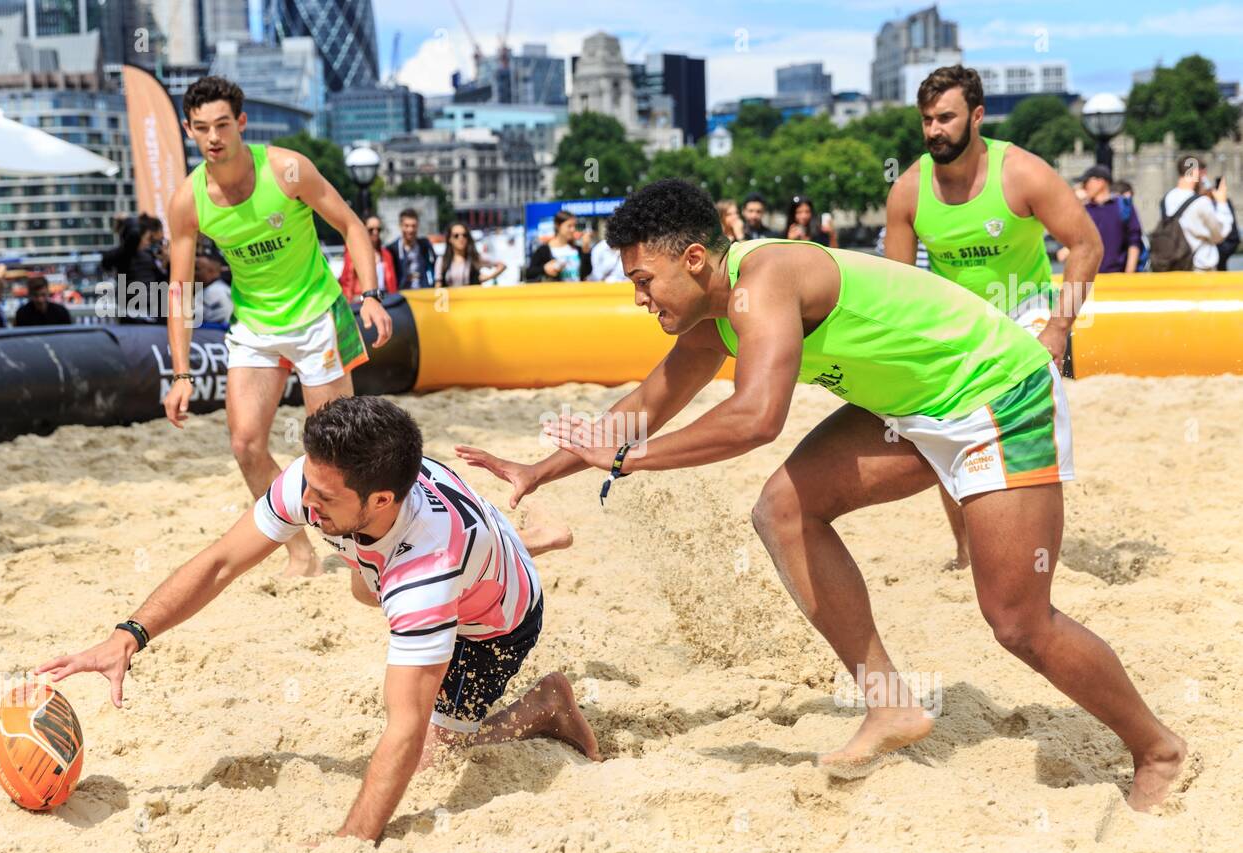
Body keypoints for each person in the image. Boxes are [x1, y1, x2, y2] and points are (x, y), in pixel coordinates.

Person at [455, 178, 1188, 811]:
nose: (638, 297)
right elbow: (646, 404)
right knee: (783, 510)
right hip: (915, 410)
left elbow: (755, 419)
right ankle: (890, 701)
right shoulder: (716, 312)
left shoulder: (764, 280)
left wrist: (631, 458)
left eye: (644, 281)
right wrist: (536, 471)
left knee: (1016, 620)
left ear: (695, 258)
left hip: (1000, 393)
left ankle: (1156, 748)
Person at [35, 396, 596, 844]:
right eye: (307, 482)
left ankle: (546, 705)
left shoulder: (423, 576)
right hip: (439, 547)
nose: (306, 500)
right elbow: (220, 563)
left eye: (322, 496)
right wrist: (128, 635)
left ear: (379, 499)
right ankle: (521, 543)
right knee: (363, 586)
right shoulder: (325, 479)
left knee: (431, 756)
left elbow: (402, 726)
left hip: (494, 626)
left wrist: (351, 841)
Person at [164, 75, 393, 578]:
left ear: (242, 123)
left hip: (317, 316)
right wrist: (181, 376)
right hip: (255, 326)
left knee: (334, 449)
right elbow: (179, 291)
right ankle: (300, 552)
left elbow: (352, 225)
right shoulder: (188, 200)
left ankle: (363, 552)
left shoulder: (287, 169)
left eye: (223, 125)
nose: (214, 137)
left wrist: (371, 296)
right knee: (246, 443)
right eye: (201, 128)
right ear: (188, 130)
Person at [884, 65, 1101, 570]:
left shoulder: (1021, 172)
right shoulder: (909, 189)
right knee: (940, 423)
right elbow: (898, 288)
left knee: (1029, 413)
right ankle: (966, 553)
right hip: (954, 324)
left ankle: (1044, 552)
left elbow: (1086, 244)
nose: (934, 130)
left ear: (977, 116)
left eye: (946, 117)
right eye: (926, 120)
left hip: (1024, 313)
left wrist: (1057, 330)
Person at [1158, 156, 1233, 271]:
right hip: (1199, 267)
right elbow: (1219, 235)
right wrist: (1222, 203)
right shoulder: (1201, 202)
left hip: (1174, 264)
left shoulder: (1166, 199)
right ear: (1195, 172)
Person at [1072, 165, 1144, 273]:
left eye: (1086, 182)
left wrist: (1129, 275)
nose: (1084, 187)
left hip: (1117, 279)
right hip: (1089, 280)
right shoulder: (1084, 210)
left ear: (1100, 182)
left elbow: (1134, 241)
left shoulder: (1123, 206)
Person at [339, 216, 397, 301]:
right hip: (361, 299)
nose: (375, 232)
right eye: (371, 230)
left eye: (378, 229)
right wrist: (348, 303)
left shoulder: (386, 254)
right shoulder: (353, 253)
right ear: (364, 230)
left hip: (384, 299)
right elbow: (347, 281)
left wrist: (393, 299)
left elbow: (392, 283)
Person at [524, 211, 592, 282]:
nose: (573, 229)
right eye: (569, 226)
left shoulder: (578, 249)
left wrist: (586, 251)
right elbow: (529, 273)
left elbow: (586, 272)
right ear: (558, 226)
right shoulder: (543, 251)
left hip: (577, 292)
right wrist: (544, 269)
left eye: (574, 226)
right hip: (555, 292)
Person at [435, 221, 505, 287]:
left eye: (464, 235)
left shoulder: (475, 257)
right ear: (449, 239)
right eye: (456, 236)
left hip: (472, 298)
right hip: (451, 299)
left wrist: (488, 277)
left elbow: (502, 265)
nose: (461, 238)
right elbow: (438, 285)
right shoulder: (442, 260)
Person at [386, 209, 437, 290]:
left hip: (424, 293)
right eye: (406, 226)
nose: (410, 230)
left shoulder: (425, 246)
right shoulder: (392, 250)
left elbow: (434, 267)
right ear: (400, 226)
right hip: (401, 296)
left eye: (413, 226)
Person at [192, 255, 233, 331]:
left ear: (211, 271)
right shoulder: (213, 288)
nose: (194, 273)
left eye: (197, 269)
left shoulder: (216, 291)